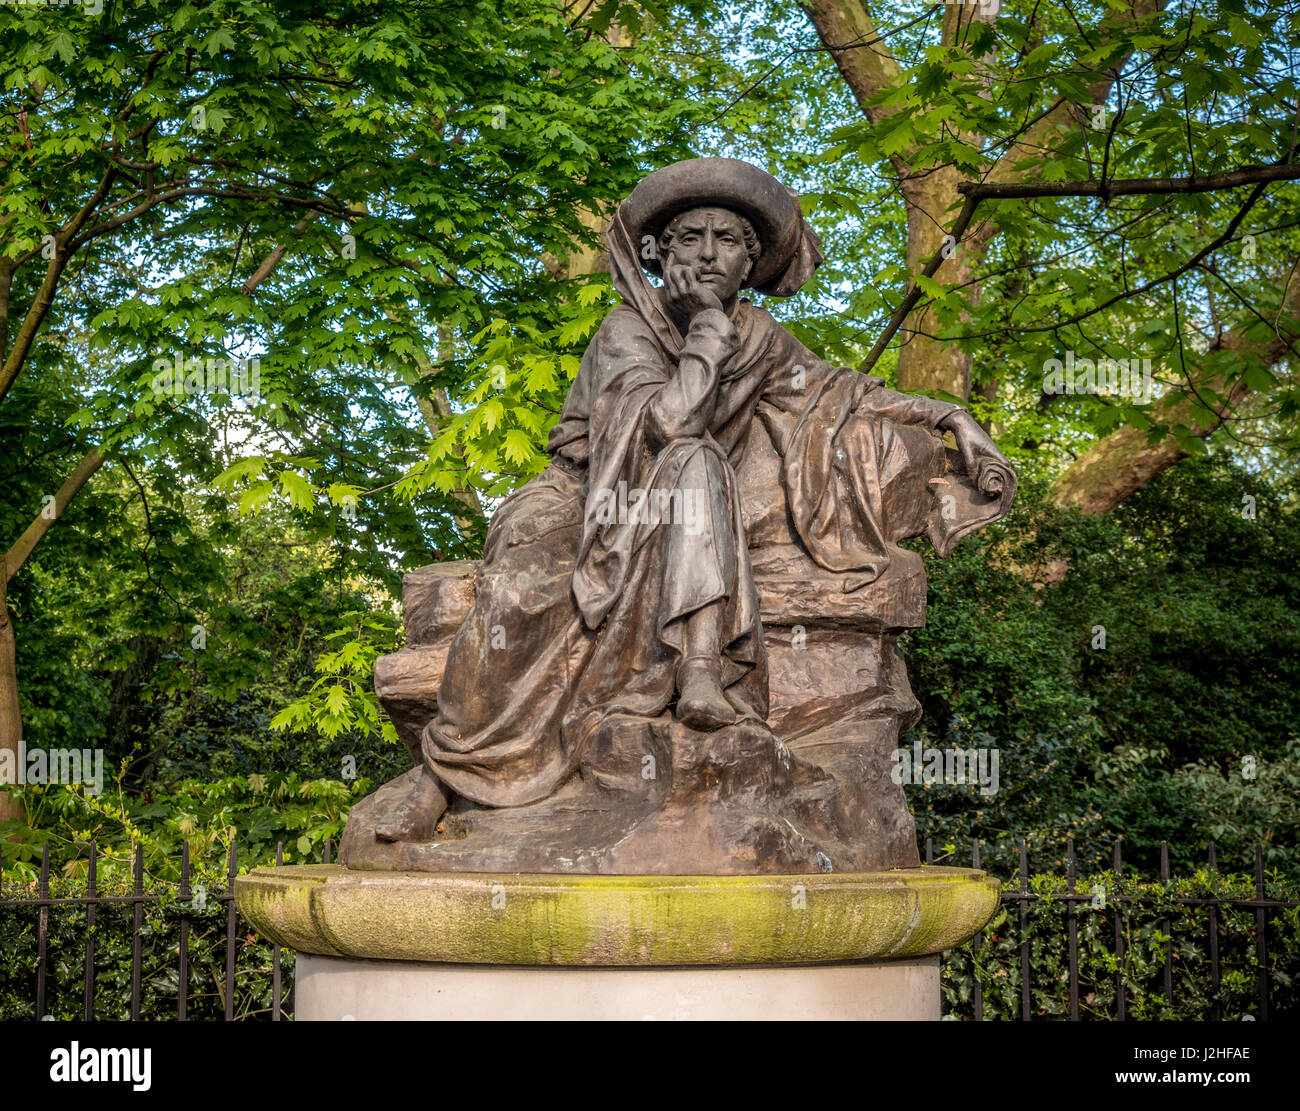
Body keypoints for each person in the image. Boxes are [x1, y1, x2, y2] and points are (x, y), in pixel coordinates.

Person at [369, 158, 1013, 843]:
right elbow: (668, 423)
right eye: (690, 237)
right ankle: (449, 772)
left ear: (751, 258)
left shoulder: (759, 337)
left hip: (678, 507)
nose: (707, 254)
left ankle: (703, 670)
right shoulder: (629, 329)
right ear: (661, 253)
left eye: (727, 239)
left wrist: (950, 418)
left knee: (697, 461)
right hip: (586, 503)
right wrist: (707, 328)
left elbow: (845, 391)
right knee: (529, 587)